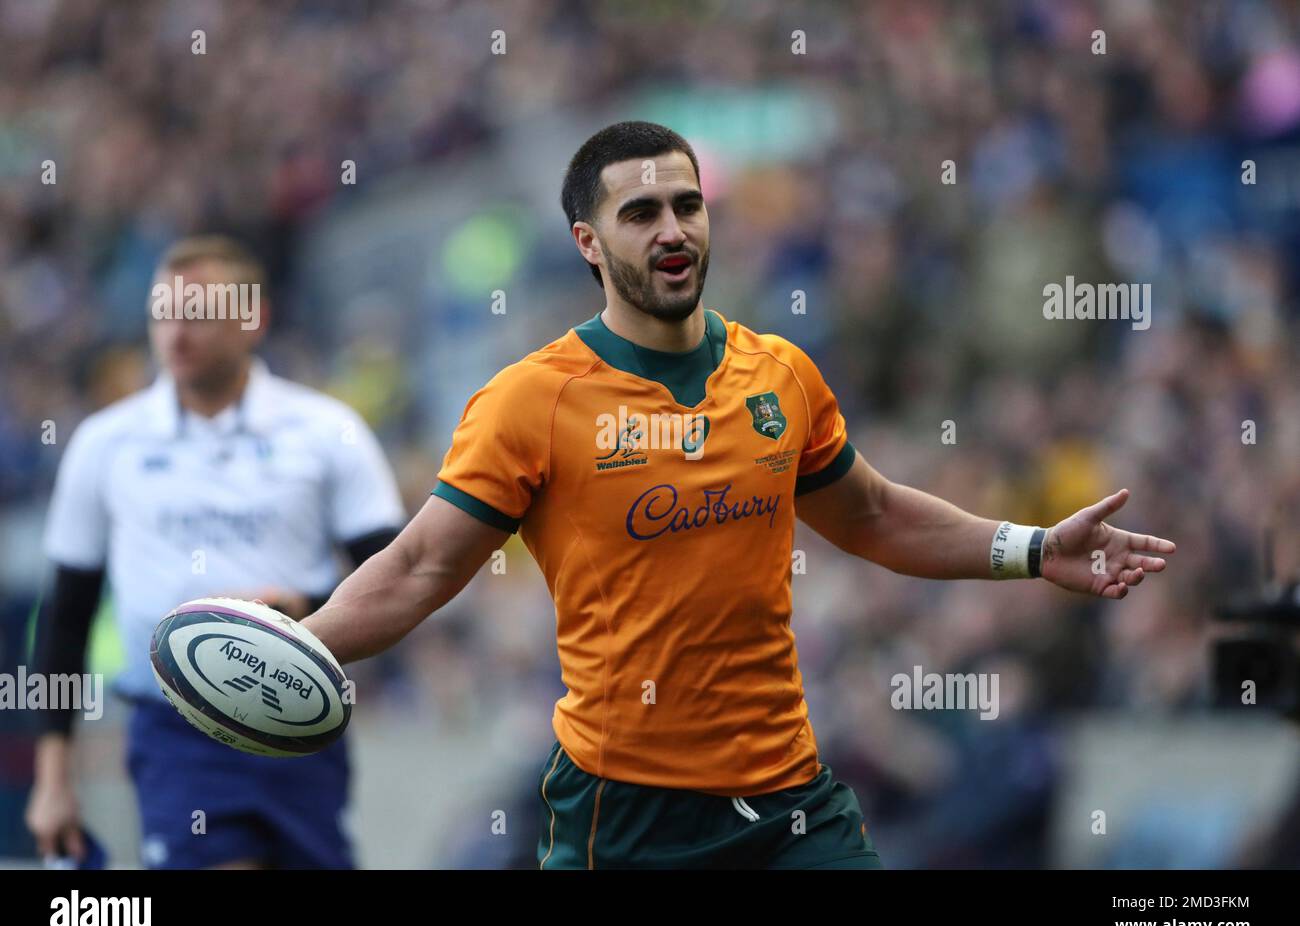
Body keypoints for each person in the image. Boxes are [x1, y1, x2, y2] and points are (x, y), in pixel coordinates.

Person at [298, 121, 1176, 869]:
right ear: (588, 243)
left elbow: (872, 515)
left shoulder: (779, 374)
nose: (672, 229)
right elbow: (417, 568)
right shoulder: (533, 400)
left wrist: (1029, 548)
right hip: (625, 812)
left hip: (787, 800)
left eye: (687, 205)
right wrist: (287, 650)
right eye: (640, 213)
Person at [27, 236, 404, 869]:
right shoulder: (105, 444)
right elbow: (65, 617)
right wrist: (52, 777)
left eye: (197, 313)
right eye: (162, 314)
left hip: (296, 717)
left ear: (251, 318)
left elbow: (395, 576)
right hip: (174, 728)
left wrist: (302, 610)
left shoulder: (326, 431)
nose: (175, 333)